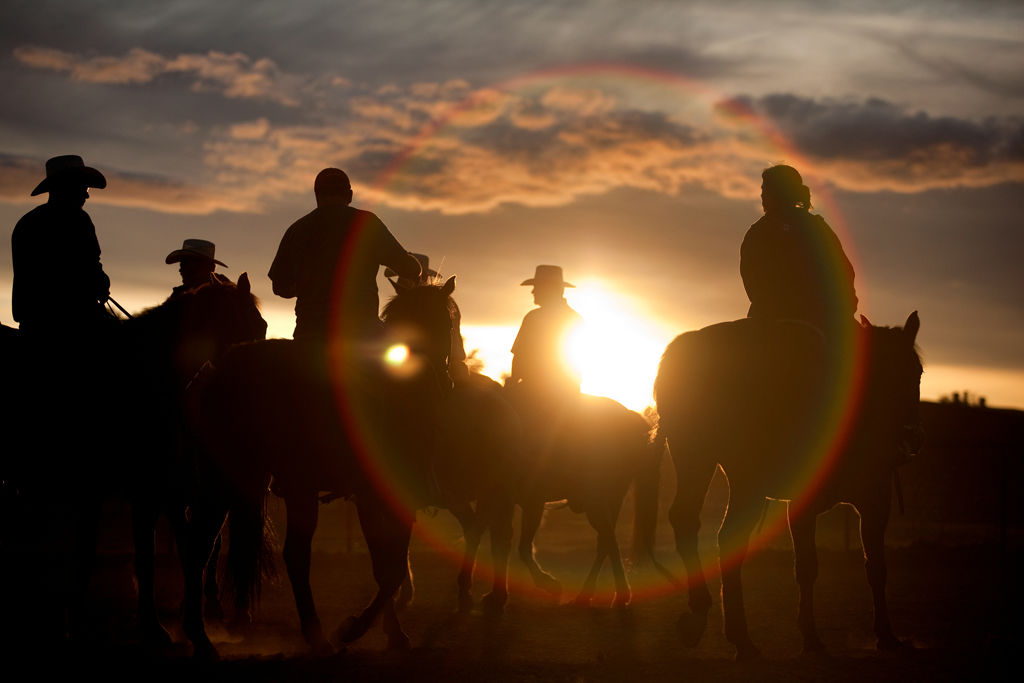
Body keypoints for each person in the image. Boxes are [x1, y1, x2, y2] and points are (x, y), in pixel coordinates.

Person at [268, 167, 421, 344]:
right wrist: (412, 265)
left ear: (317, 196)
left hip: (308, 334)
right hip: (361, 334)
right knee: (412, 361)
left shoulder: (296, 230)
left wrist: (309, 285)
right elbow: (410, 269)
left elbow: (280, 287)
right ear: (349, 195)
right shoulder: (365, 224)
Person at [740, 164, 857, 337]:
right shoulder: (816, 227)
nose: (762, 194)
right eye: (762, 189)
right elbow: (844, 271)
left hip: (782, 320)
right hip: (799, 318)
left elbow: (752, 281)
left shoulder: (759, 232)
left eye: (766, 189)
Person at [12, 155, 113, 336]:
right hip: (74, 322)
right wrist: (102, 283)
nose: (87, 194)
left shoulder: (27, 223)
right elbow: (90, 267)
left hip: (33, 322)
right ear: (67, 186)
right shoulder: (79, 220)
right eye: (83, 186)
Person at [509, 265, 584, 401]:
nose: (532, 291)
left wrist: (511, 384)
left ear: (548, 289)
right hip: (570, 390)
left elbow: (518, 358)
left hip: (535, 391)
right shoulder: (576, 318)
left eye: (536, 287)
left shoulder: (533, 318)